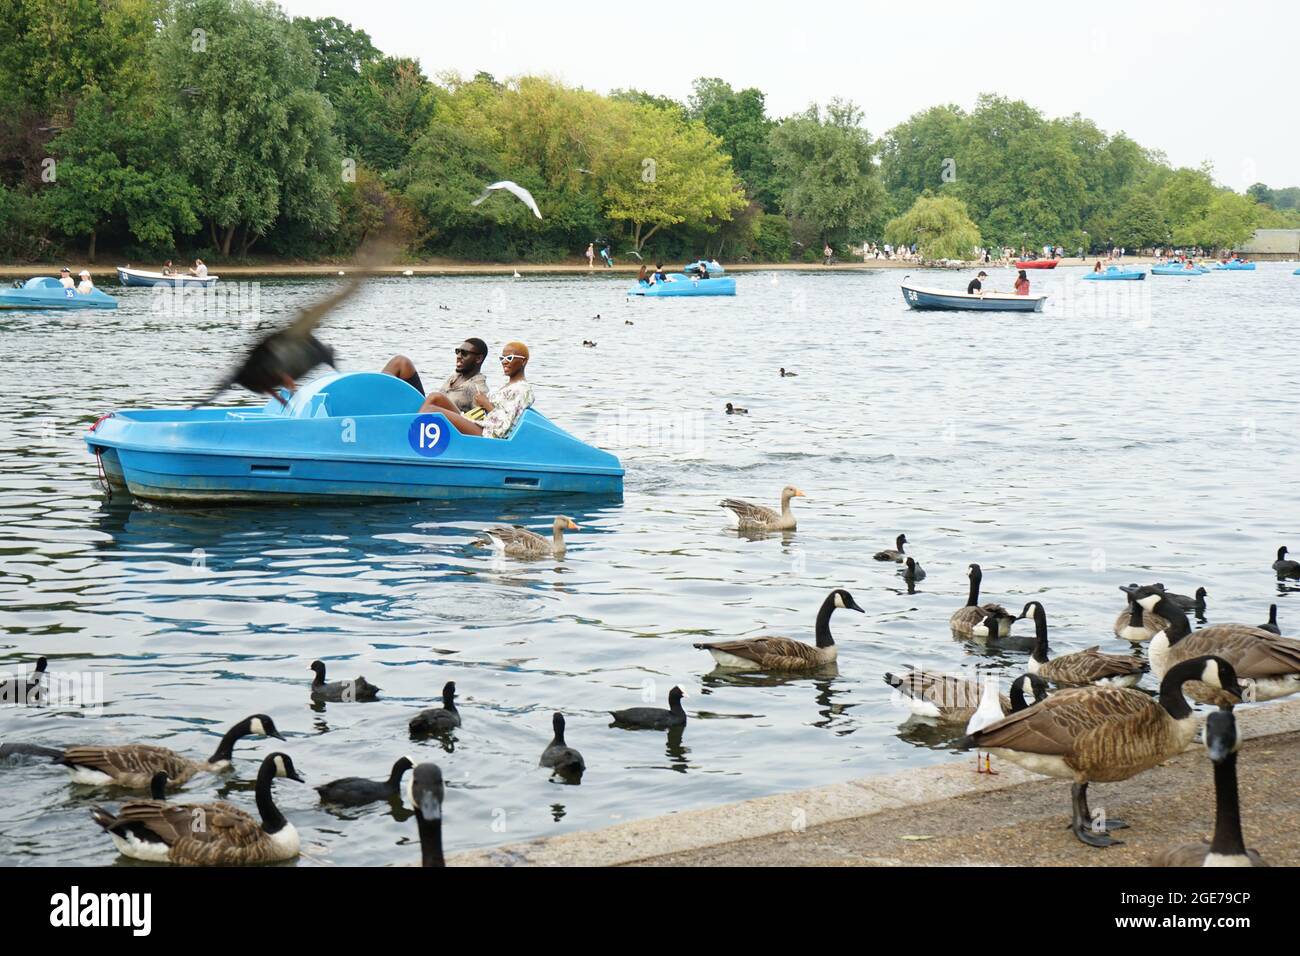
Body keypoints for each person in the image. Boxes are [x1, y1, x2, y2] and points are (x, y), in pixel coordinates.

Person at [420, 341, 534, 439]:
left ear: (523, 361)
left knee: (432, 410)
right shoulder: (507, 386)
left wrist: (486, 403)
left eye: (509, 358)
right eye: (502, 358)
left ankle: (407, 436)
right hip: (480, 422)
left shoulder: (522, 389)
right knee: (435, 397)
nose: (504, 361)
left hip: (489, 433)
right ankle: (411, 431)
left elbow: (505, 424)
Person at [382, 338, 488, 411]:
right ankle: (375, 399)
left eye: (464, 353)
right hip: (426, 409)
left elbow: (479, 424)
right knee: (400, 362)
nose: (459, 356)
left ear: (478, 358)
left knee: (435, 397)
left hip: (440, 425)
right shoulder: (457, 376)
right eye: (458, 352)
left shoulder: (478, 388)